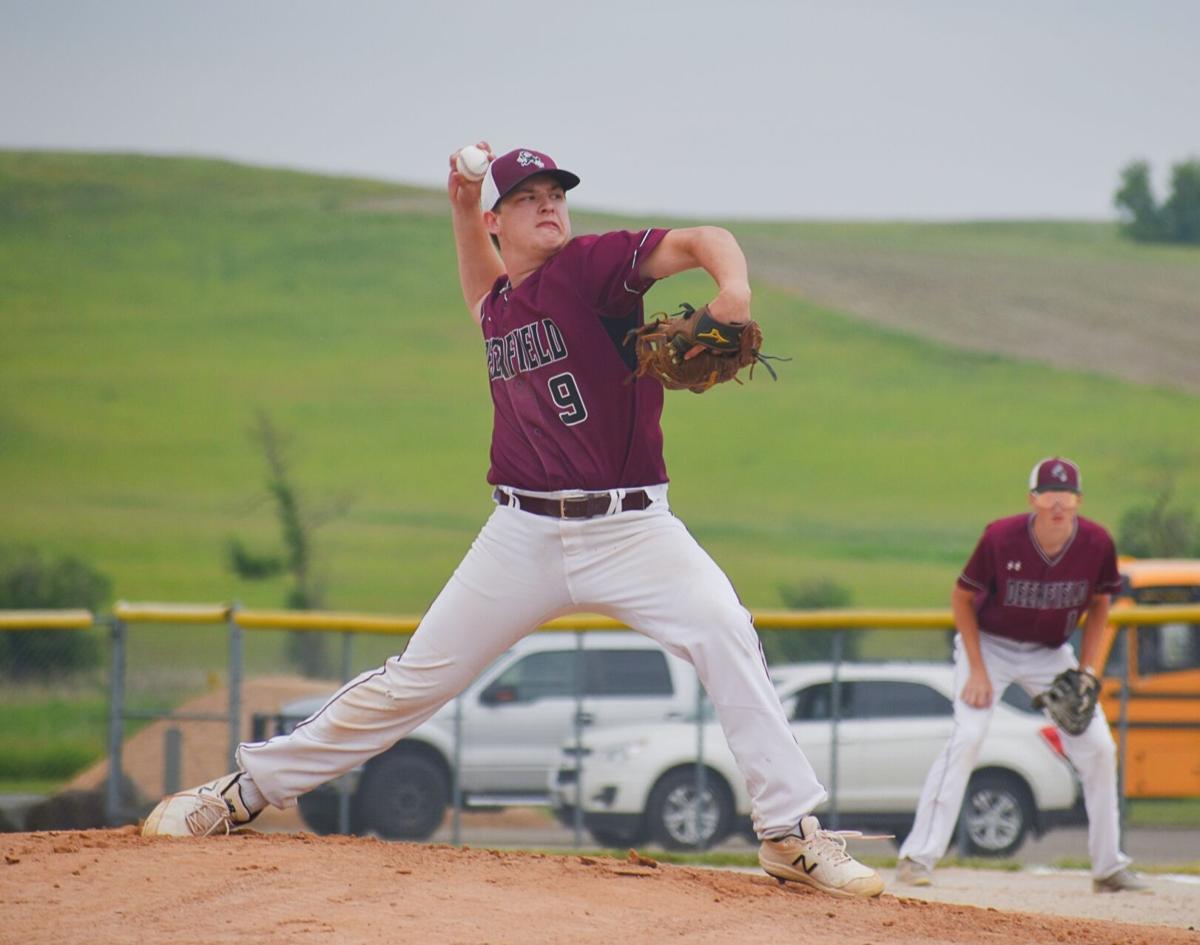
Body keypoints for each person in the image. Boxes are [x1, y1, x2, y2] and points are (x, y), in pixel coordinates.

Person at [141, 143, 885, 899]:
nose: (550, 204)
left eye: (556, 191)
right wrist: (463, 208)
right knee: (411, 684)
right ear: (500, 220)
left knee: (726, 632)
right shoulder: (500, 307)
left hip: (632, 527)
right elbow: (479, 289)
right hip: (521, 535)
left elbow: (701, 240)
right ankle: (244, 790)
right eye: (528, 197)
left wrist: (733, 289)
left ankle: (790, 833)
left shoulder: (590, 269)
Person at [896, 457, 1147, 893]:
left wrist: (1086, 670)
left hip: (1051, 654)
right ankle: (917, 857)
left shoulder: (1096, 543)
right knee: (969, 736)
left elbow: (1101, 603)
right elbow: (961, 599)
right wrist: (976, 669)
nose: (1057, 501)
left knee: (1100, 749)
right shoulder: (1001, 537)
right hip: (989, 645)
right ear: (1032, 499)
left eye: (1065, 492)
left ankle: (1108, 866)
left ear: (1078, 500)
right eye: (1048, 491)